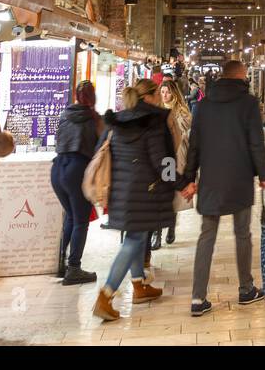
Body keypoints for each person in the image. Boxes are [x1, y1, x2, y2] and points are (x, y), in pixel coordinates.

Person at [179, 59, 265, 316]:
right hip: (239, 179)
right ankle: (246, 289)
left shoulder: (204, 105)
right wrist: (262, 174)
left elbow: (194, 144)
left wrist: (190, 178)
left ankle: (198, 298)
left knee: (207, 235)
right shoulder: (249, 104)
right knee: (242, 234)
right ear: (242, 77)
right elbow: (255, 142)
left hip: (211, 181)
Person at [91, 79, 176, 322]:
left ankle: (139, 285)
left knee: (136, 237)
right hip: (144, 192)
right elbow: (163, 161)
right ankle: (106, 295)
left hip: (122, 192)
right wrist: (178, 182)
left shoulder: (117, 121)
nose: (160, 97)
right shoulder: (152, 123)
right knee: (134, 240)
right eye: (157, 93)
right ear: (148, 97)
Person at [51, 80, 100, 285]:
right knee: (80, 220)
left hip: (57, 168)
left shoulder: (64, 114)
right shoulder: (94, 118)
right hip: (77, 169)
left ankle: (61, 263)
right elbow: (100, 147)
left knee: (70, 216)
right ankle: (74, 268)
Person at [154, 78, 193, 248]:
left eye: (168, 92)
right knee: (159, 194)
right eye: (162, 92)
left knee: (172, 194)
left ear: (174, 93)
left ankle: (169, 227)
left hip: (175, 157)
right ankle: (157, 232)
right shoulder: (156, 110)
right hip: (160, 156)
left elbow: (188, 131)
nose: (165, 95)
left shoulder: (182, 111)